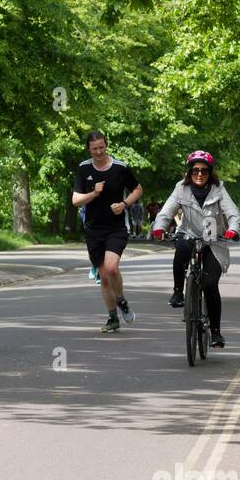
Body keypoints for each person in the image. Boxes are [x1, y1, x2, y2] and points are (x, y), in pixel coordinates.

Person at [150, 150, 240, 348]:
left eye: (204, 171)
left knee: (209, 284)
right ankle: (177, 292)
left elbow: (233, 213)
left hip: (213, 239)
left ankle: (215, 332)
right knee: (181, 247)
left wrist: (233, 230)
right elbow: (166, 211)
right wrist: (159, 228)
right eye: (195, 170)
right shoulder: (181, 189)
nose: (199, 174)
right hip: (189, 233)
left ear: (210, 173)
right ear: (189, 173)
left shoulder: (219, 190)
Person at [71, 131, 143, 333]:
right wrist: (93, 193)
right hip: (93, 230)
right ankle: (112, 318)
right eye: (94, 148)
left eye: (101, 147)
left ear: (106, 145)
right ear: (89, 149)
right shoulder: (84, 169)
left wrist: (124, 204)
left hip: (116, 228)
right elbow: (76, 200)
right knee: (103, 277)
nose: (99, 152)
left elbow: (138, 189)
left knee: (111, 268)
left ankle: (121, 301)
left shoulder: (119, 168)